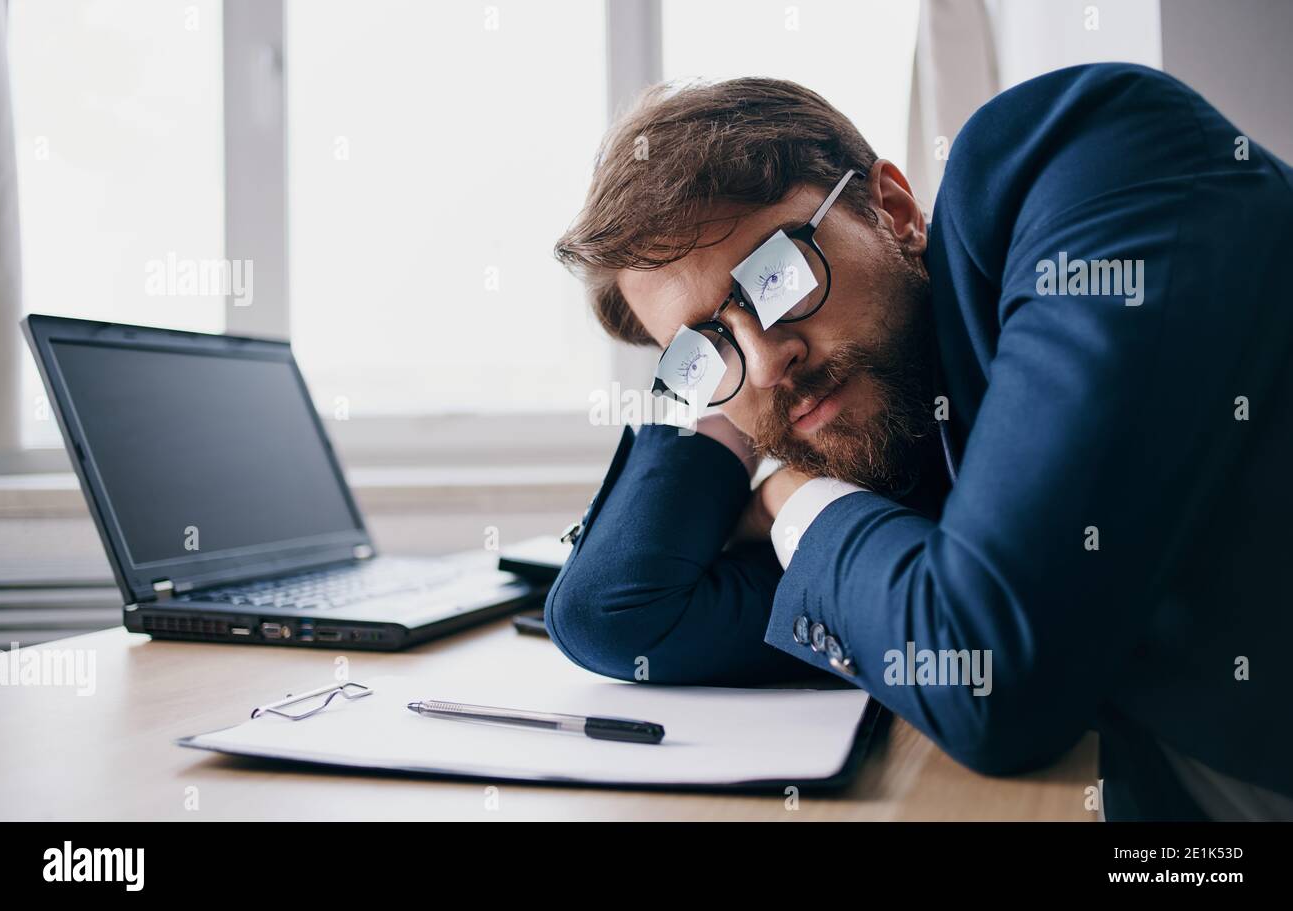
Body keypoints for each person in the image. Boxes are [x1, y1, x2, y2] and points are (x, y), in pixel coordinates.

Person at [548, 63, 1293, 820]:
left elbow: (991, 675)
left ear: (894, 210)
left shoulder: (1079, 154)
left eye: (775, 275)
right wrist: (708, 373)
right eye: (702, 349)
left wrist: (793, 499)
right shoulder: (892, 438)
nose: (770, 361)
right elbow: (615, 610)